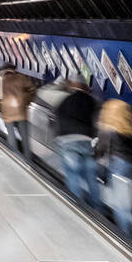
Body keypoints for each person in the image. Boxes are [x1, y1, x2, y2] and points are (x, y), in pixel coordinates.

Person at [95, 98, 132, 239]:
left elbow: (100, 151)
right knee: (131, 204)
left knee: (120, 205)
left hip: (118, 166)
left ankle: (129, 238)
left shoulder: (108, 129)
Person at [52, 79, 98, 207]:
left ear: (74, 86)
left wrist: (57, 136)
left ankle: (77, 206)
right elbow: (95, 121)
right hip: (86, 141)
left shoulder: (66, 100)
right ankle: (97, 207)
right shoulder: (91, 101)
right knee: (91, 177)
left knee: (73, 174)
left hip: (68, 141)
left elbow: (57, 116)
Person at [0, 65, 37, 162]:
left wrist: (1, 109)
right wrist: (26, 102)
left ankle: (15, 161)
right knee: (25, 138)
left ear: (3, 71)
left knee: (11, 136)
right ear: (13, 70)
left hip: (8, 114)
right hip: (21, 112)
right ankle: (28, 161)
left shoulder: (0, 81)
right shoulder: (22, 78)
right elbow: (32, 90)